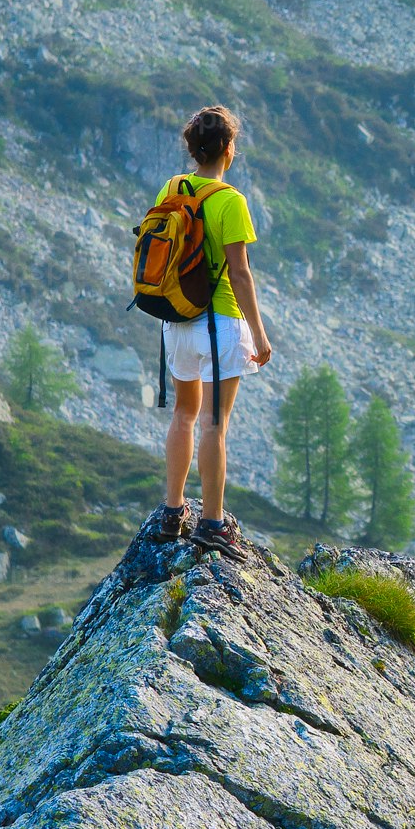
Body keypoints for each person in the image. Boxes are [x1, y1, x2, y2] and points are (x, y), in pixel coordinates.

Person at [149, 105, 273, 556]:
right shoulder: (231, 202)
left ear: (193, 148)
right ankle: (214, 524)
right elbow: (239, 275)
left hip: (176, 318)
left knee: (183, 413)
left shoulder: (173, 187)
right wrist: (258, 334)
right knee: (215, 423)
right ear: (228, 149)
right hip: (218, 322)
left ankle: (172, 510)